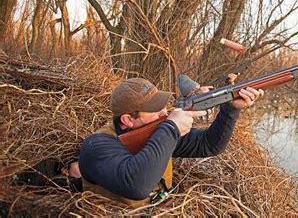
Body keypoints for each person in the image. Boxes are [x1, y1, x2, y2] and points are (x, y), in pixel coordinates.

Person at [79, 78, 263, 206]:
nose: (164, 113)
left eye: (161, 104)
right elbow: (137, 186)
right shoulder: (96, 146)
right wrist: (171, 128)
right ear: (127, 120)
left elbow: (209, 145)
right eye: (154, 109)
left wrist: (230, 109)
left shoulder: (155, 131)